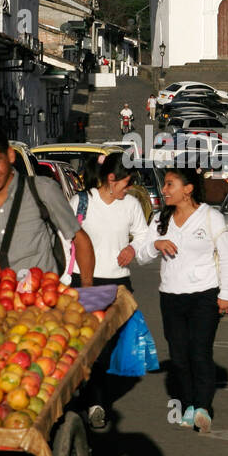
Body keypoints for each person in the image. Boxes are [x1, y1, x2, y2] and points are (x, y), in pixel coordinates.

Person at [128, 167, 228, 433]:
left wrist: (225, 294)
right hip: (171, 296)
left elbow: (227, 257)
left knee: (199, 351)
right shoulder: (160, 220)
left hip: (204, 296)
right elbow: (141, 255)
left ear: (188, 189)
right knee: (178, 356)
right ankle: (187, 406)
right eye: (164, 185)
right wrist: (156, 245)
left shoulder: (211, 217)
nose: (164, 190)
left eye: (170, 184)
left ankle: (203, 408)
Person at [68, 152, 151, 430]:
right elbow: (63, 236)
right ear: (111, 179)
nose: (129, 189)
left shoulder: (130, 206)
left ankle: (91, 395)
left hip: (118, 285)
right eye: (126, 183)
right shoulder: (81, 202)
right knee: (89, 345)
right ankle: (95, 403)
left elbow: (143, 235)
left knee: (108, 344)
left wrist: (132, 248)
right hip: (85, 282)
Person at [0, 126, 95, 282]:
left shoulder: (42, 190)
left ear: (10, 156)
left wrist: (88, 291)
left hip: (42, 299)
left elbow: (80, 240)